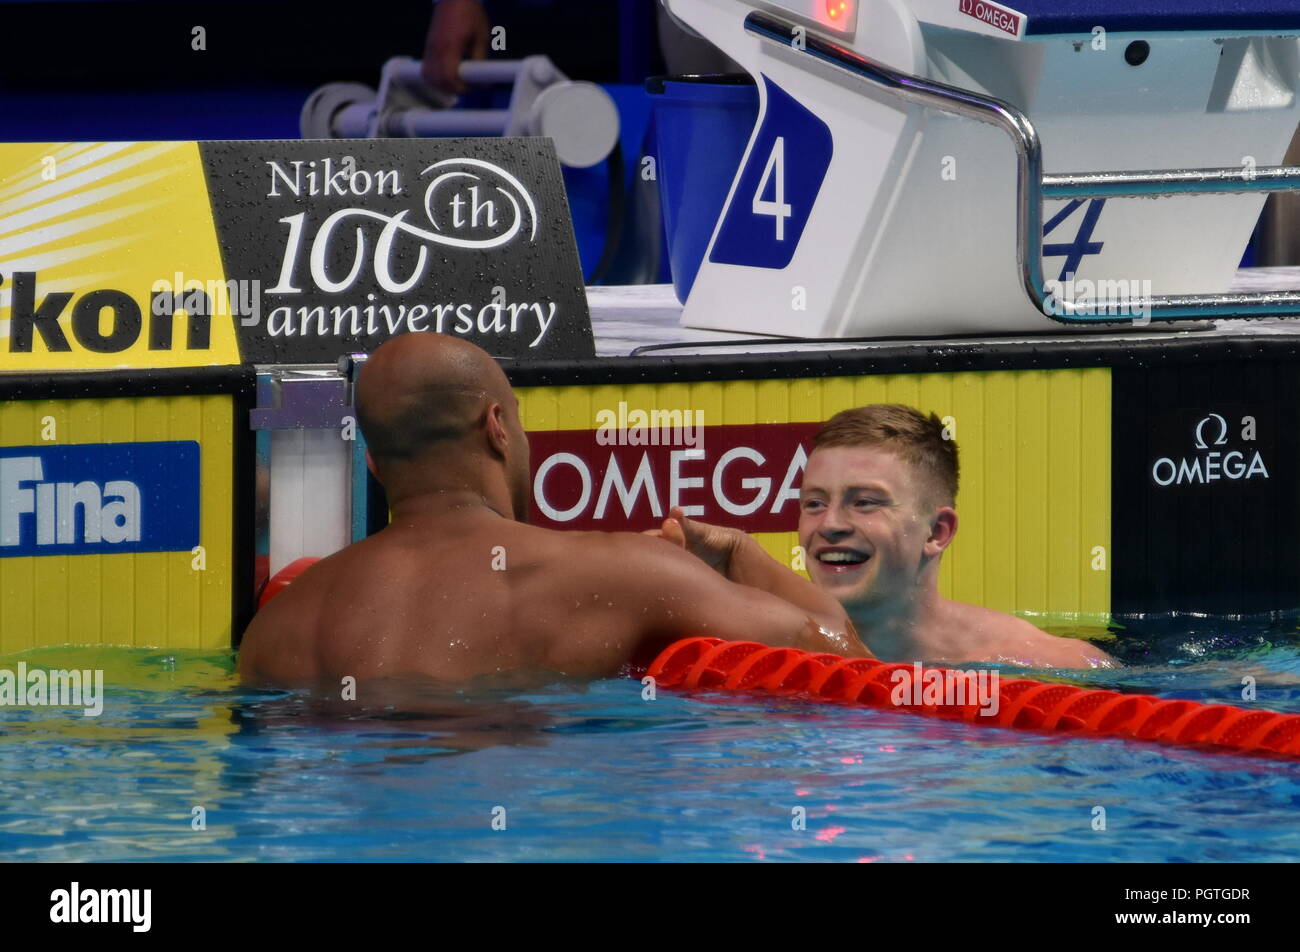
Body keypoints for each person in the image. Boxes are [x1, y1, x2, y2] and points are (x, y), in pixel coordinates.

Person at [238, 333, 864, 685]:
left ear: (373, 464)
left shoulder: (277, 629)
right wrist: (739, 554)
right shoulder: (621, 573)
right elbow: (843, 657)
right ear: (497, 429)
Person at [659, 405, 1117, 669]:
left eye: (865, 502)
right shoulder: (755, 645)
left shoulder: (1040, 664)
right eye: (814, 503)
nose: (830, 524)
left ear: (937, 532)